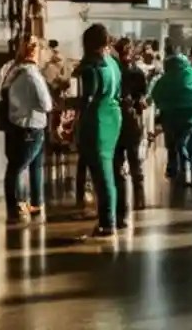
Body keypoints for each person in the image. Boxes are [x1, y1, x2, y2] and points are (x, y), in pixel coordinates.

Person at [77, 24, 123, 236]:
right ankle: (114, 217)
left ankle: (107, 222)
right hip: (113, 116)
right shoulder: (113, 63)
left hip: (96, 119)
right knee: (109, 170)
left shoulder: (91, 67)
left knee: (101, 175)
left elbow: (87, 98)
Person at [4, 37, 53, 222]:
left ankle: (30, 203)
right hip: (33, 126)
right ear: (35, 52)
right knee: (20, 168)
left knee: (27, 166)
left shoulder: (13, 71)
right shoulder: (33, 75)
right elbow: (46, 104)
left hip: (18, 125)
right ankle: (23, 204)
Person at [152, 45, 192, 187]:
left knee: (172, 145)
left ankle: (174, 169)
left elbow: (155, 94)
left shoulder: (165, 78)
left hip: (170, 117)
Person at [111, 39, 149, 220]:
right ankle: (139, 200)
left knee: (118, 165)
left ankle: (121, 206)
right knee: (135, 163)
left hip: (117, 123)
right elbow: (143, 95)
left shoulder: (113, 71)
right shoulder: (137, 72)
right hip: (132, 121)